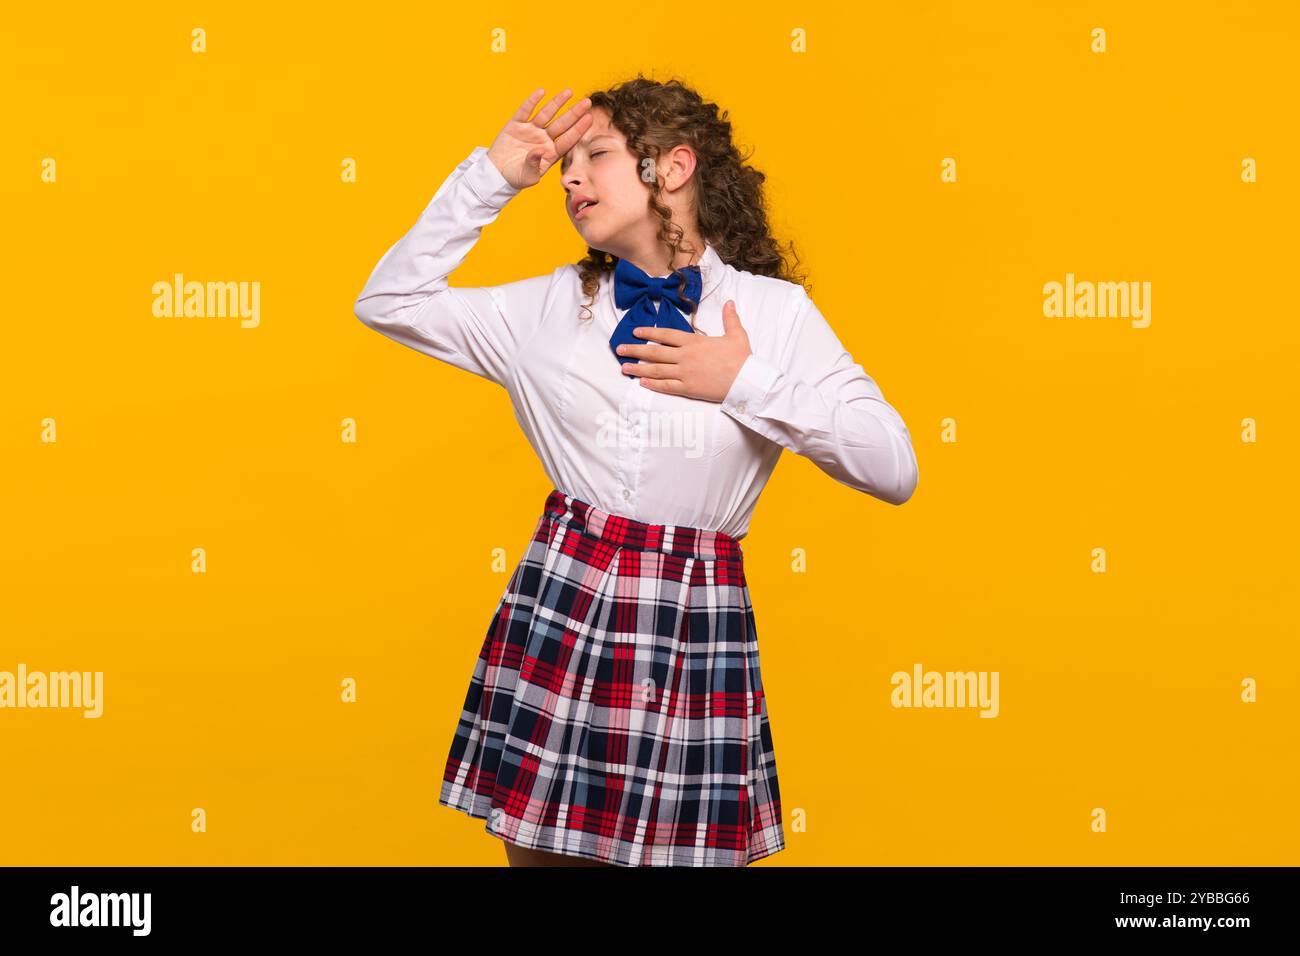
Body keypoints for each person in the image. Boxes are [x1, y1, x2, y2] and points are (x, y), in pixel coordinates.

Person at [353, 77, 919, 867]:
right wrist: (488, 180)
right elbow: (388, 299)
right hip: (566, 595)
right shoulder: (545, 309)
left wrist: (744, 382)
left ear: (673, 167)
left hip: (693, 618)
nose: (570, 178)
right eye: (562, 167)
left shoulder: (775, 317)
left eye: (596, 156)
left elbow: (893, 465)